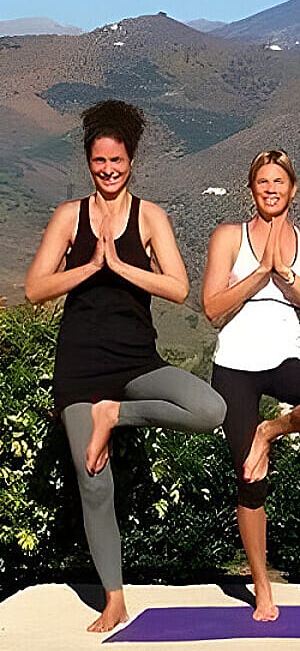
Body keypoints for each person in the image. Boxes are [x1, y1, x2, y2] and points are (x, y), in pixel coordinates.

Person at [23, 100, 226, 632]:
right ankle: (115, 597)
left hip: (137, 360)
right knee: (95, 485)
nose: (108, 170)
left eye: (116, 161)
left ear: (131, 160)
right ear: (88, 162)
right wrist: (89, 266)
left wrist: (122, 266)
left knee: (209, 408)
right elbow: (35, 288)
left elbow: (178, 288)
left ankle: (116, 414)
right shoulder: (70, 216)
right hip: (81, 365)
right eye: (99, 162)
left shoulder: (150, 217)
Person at [201, 150, 300, 622]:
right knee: (250, 479)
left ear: (293, 189)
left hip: (283, 358)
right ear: (252, 189)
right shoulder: (229, 236)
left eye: (279, 181)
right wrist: (259, 272)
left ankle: (270, 431)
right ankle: (262, 587)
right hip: (235, 364)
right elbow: (211, 306)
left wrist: (285, 274)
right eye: (262, 181)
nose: (270, 188)